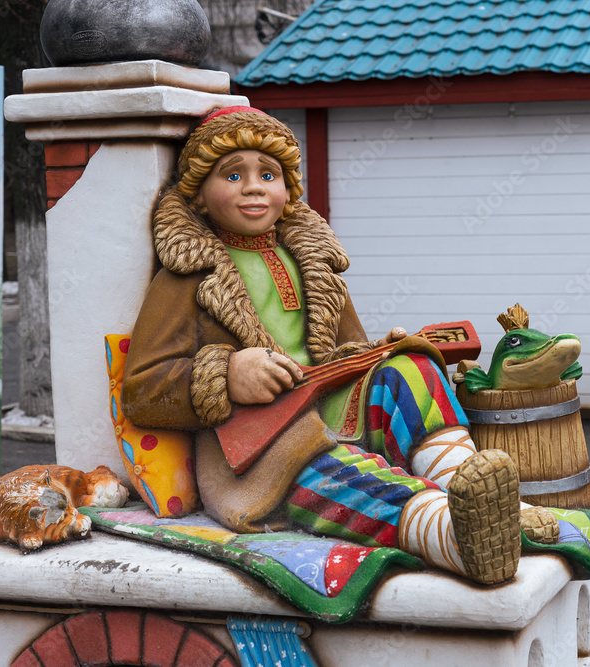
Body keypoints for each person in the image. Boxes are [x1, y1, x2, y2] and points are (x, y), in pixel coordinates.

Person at [122, 106, 556, 585]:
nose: (253, 186)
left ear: (287, 191)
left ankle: (475, 491)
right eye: (232, 174)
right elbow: (143, 390)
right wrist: (225, 374)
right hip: (260, 449)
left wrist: (375, 357)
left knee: (409, 366)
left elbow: (346, 354)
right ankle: (450, 534)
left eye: (268, 174)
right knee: (331, 472)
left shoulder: (314, 266)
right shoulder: (186, 278)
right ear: (200, 197)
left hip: (329, 404)